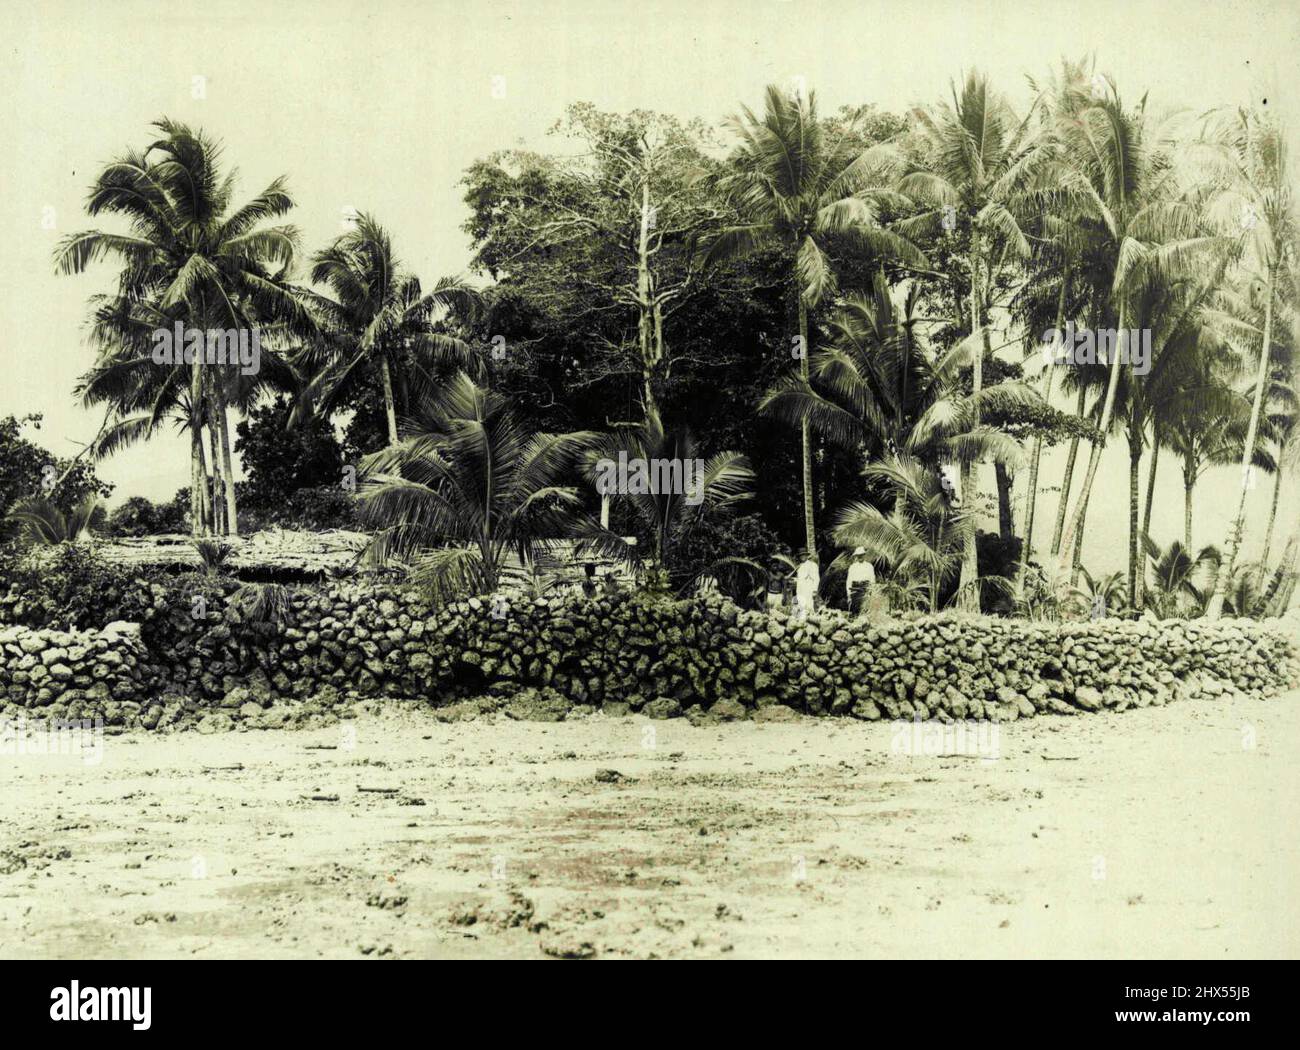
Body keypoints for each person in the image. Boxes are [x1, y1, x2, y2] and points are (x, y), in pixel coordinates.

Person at [845, 547, 875, 616]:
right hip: (855, 589)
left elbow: (872, 580)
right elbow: (849, 581)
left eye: (861, 555)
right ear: (856, 556)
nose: (860, 557)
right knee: (854, 612)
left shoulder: (869, 566)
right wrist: (849, 594)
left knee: (865, 610)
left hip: (865, 588)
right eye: (858, 555)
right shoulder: (852, 567)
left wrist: (871, 592)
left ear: (864, 555)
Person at [794, 552, 819, 619]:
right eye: (800, 556)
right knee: (801, 607)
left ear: (807, 556)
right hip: (800, 590)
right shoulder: (800, 566)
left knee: (809, 606)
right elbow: (800, 579)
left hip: (808, 589)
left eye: (804, 555)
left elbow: (816, 578)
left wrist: (814, 590)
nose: (802, 557)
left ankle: (810, 622)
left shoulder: (812, 565)